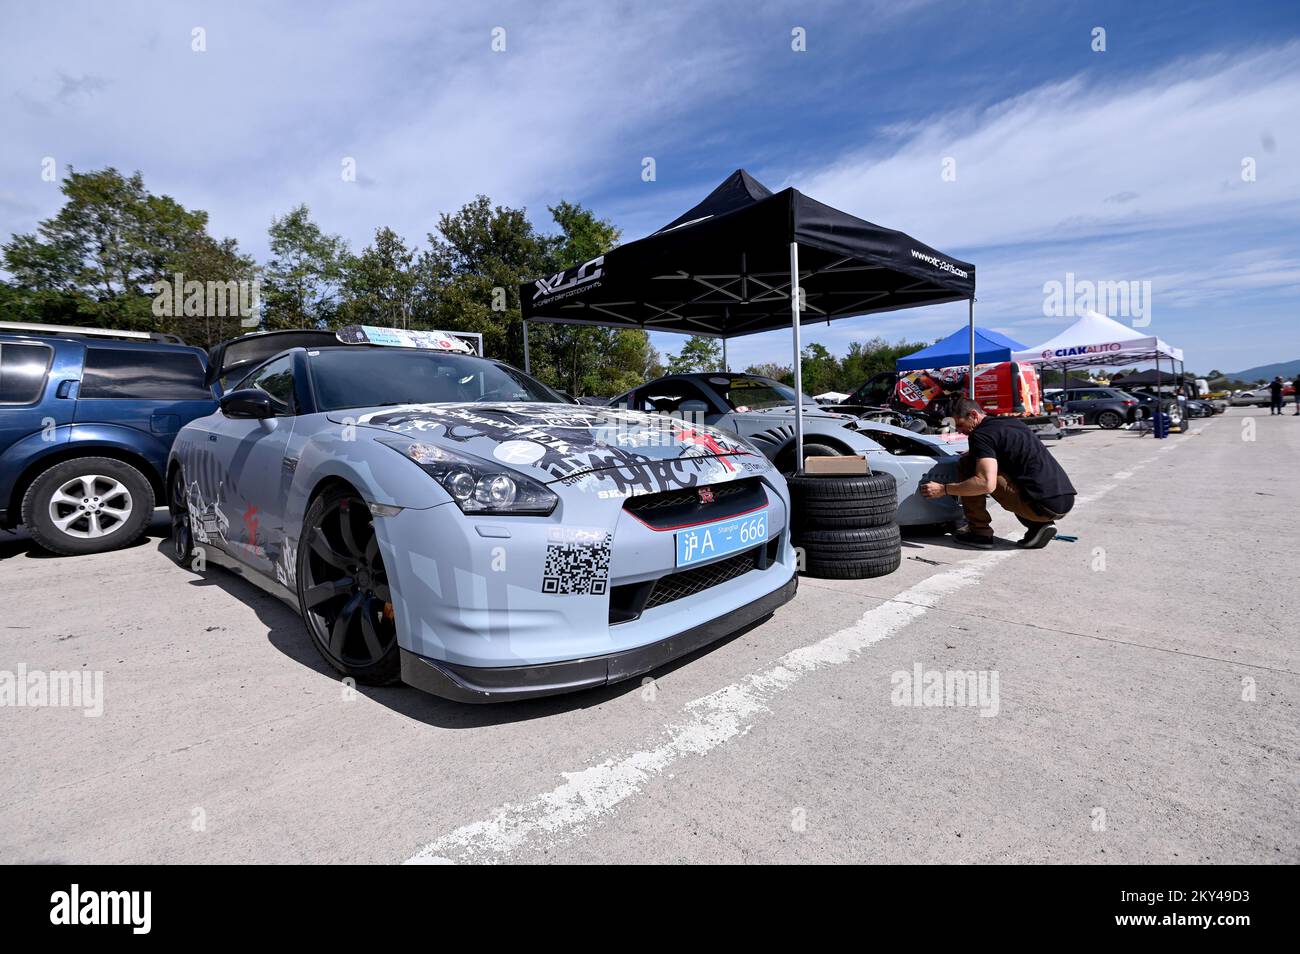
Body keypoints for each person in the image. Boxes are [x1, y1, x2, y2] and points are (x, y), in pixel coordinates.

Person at [921, 397, 1076, 549]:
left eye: (960, 425)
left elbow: (985, 484)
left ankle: (980, 532)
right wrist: (980, 452)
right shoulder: (1010, 423)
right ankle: (1037, 526)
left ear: (973, 415)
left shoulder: (980, 435)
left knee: (969, 465)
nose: (961, 432)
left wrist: (944, 489)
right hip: (1064, 500)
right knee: (995, 466)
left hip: (1041, 507)